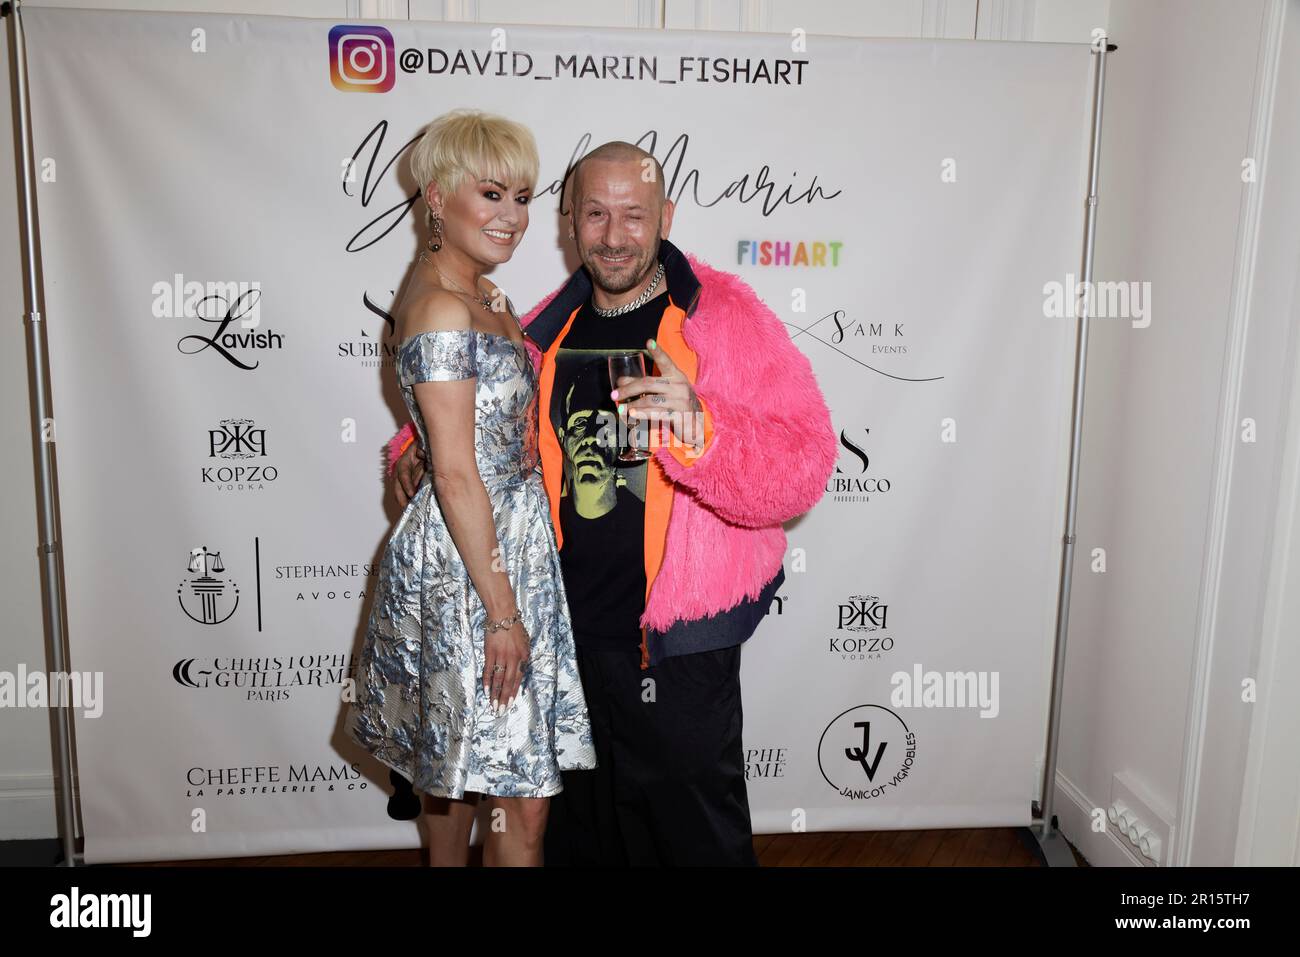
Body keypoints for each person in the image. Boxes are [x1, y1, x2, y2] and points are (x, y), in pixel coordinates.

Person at [386, 141, 837, 866]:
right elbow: (479, 415)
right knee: (577, 841)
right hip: (561, 634)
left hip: (676, 643)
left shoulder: (721, 316)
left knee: (692, 841)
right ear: (569, 220)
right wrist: (417, 449)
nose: (615, 235)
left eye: (634, 214)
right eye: (595, 213)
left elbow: (805, 464)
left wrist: (703, 428)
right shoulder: (546, 325)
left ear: (666, 217)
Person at [345, 110, 595, 868]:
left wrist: (419, 450)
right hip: (475, 563)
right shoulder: (444, 308)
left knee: (453, 763)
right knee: (521, 796)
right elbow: (456, 474)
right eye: (491, 194)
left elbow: (463, 434)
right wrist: (502, 613)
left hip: (495, 538)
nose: (512, 216)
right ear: (436, 196)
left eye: (521, 197)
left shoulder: (478, 292)